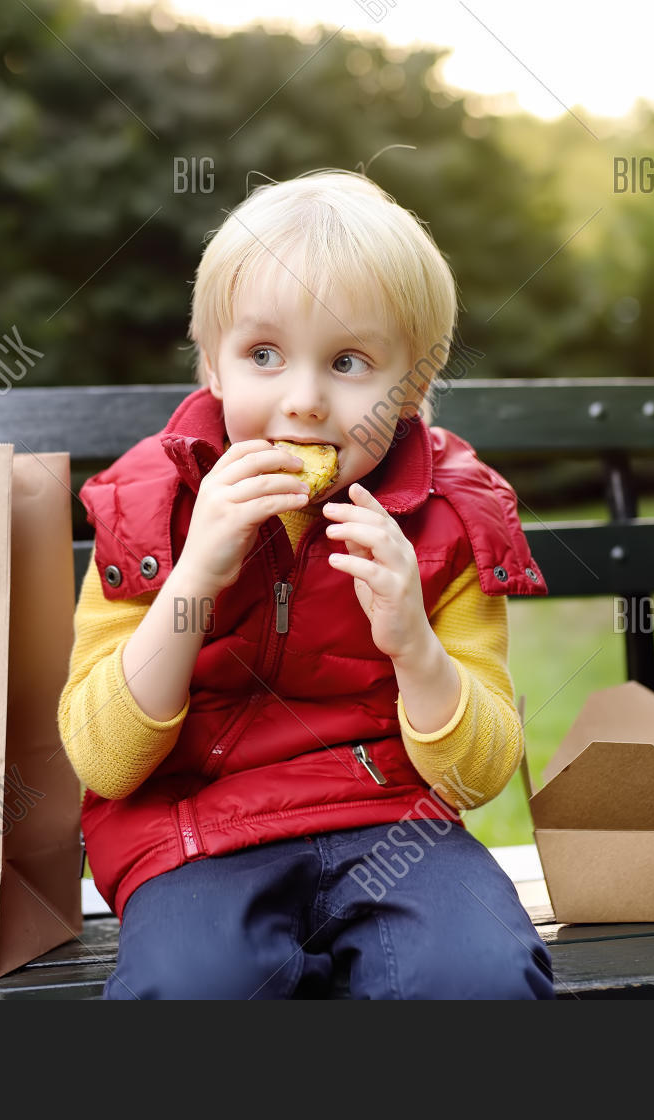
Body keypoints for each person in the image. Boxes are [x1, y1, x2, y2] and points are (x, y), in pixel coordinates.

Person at [58, 168, 554, 999]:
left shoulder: (447, 523)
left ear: (412, 390)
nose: (305, 401)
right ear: (212, 367)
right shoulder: (147, 510)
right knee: (191, 987)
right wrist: (195, 577)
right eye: (263, 355)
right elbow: (103, 758)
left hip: (392, 825)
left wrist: (414, 645)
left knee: (480, 976)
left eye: (350, 363)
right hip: (193, 832)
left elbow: (479, 773)